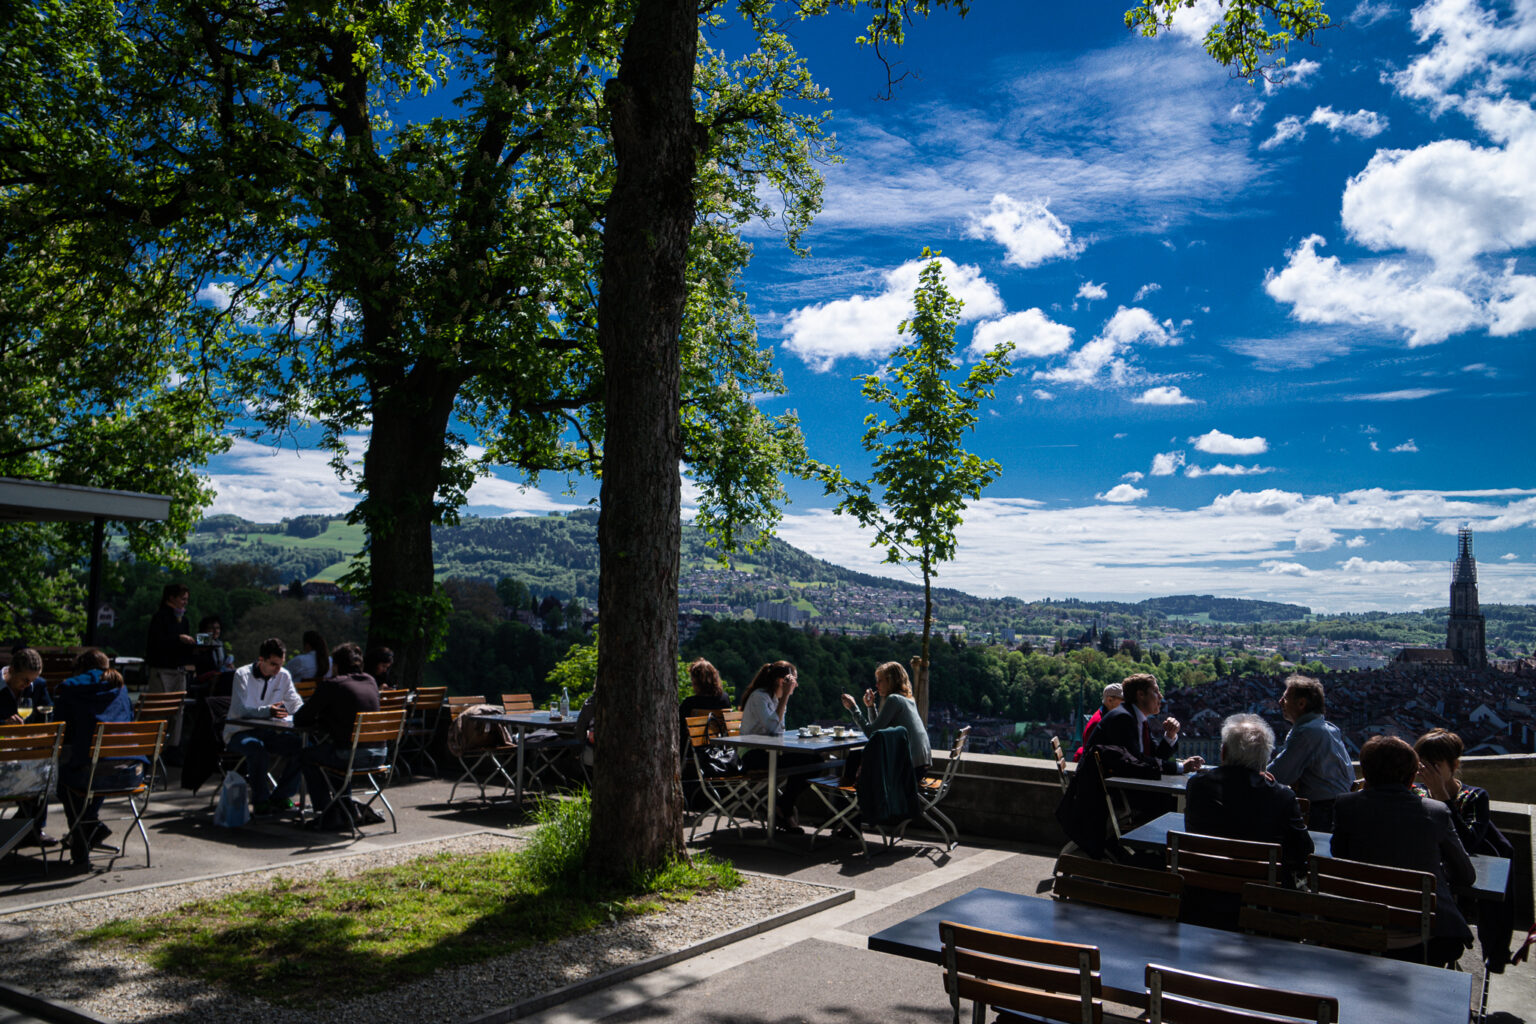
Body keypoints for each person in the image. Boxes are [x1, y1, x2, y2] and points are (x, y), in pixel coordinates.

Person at [1332, 735, 1475, 967]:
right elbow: (1466, 875)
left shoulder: (1346, 805)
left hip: (1360, 929)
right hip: (1425, 939)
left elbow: (1340, 856)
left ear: (1365, 774)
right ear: (1411, 778)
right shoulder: (1436, 812)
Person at [1415, 728, 1514, 972]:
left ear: (1454, 765)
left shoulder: (1474, 798)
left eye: (1435, 766)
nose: (1427, 772)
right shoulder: (1415, 792)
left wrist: (1441, 796)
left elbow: (1468, 841)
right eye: (1422, 765)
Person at [1186, 713, 1312, 872]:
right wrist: (1276, 788)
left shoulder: (1197, 785)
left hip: (1204, 881)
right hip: (1259, 884)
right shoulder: (1282, 797)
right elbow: (1304, 849)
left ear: (1223, 752)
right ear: (1265, 760)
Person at [52, 649, 141, 869]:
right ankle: (89, 826)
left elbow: (60, 729)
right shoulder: (120, 688)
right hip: (129, 773)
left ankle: (84, 837)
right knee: (96, 769)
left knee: (63, 780)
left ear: (80, 668)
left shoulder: (71, 688)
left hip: (93, 773)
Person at [280, 642, 382, 824]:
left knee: (307, 756)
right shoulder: (370, 681)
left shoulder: (332, 685)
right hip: (380, 755)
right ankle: (346, 807)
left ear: (335, 665)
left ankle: (327, 812)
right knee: (335, 755)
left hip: (351, 756)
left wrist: (323, 719)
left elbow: (301, 718)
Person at [223, 638, 306, 811]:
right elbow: (240, 710)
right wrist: (268, 711)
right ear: (261, 660)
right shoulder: (242, 675)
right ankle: (260, 800)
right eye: (273, 664)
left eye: (281, 664)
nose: (277, 670)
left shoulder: (283, 675)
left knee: (302, 747)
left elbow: (295, 704)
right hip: (240, 731)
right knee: (256, 749)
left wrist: (306, 713)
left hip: (269, 731)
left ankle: (281, 795)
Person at [1266, 674, 1354, 832]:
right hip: (1339, 810)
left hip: (1321, 813)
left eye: (1285, 698)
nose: (1280, 702)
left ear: (1301, 703)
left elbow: (1278, 775)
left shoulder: (1307, 733)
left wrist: (1253, 775)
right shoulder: (1328, 728)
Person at [739, 660, 817, 832]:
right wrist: (786, 697)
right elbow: (774, 728)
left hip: (768, 752)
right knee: (808, 762)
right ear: (782, 681)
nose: (796, 685)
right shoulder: (759, 697)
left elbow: (779, 730)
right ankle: (784, 810)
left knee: (815, 761)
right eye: (793, 681)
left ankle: (783, 806)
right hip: (752, 755)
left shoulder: (774, 698)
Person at [1084, 673, 1203, 776]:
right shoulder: (1122, 718)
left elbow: (1156, 758)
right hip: (1105, 792)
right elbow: (1137, 761)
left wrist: (1170, 735)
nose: (1160, 696)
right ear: (1140, 694)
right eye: (1155, 691)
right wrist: (1180, 767)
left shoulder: (1138, 719)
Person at [0, 647, 56, 846]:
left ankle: (32, 828)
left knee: (43, 769)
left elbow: (48, 713)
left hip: (25, 752)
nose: (28, 685)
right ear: (11, 671)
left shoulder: (38, 685)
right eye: (25, 680)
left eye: (32, 680)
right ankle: (23, 828)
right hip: (3, 752)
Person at [840, 661, 931, 777]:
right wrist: (870, 707)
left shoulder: (894, 699)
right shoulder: (908, 700)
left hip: (908, 769)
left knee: (855, 757)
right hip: (920, 767)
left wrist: (853, 708)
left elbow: (872, 734)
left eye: (880, 681)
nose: (876, 685)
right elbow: (879, 730)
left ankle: (848, 787)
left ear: (891, 680)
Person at [144, 583, 195, 692]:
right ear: (172, 598)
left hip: (179, 670)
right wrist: (178, 638)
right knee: (162, 701)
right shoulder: (160, 617)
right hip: (162, 670)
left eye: (187, 599)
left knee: (178, 701)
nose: (185, 602)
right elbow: (156, 643)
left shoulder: (184, 620)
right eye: (183, 599)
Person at [1074, 682, 1122, 762]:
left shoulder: (1102, 715)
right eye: (1123, 700)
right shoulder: (1100, 722)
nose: (1126, 704)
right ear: (1109, 700)